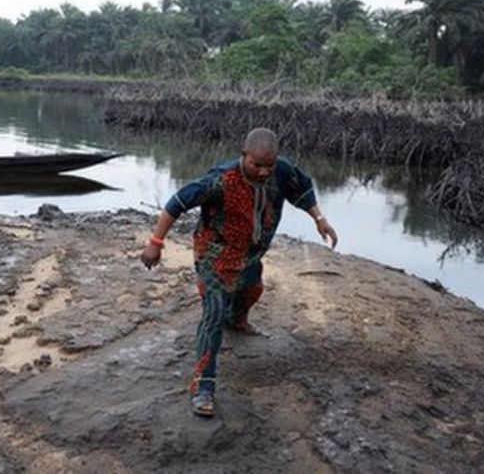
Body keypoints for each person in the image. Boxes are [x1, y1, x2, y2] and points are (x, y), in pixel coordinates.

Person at [140, 127, 338, 418]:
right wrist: (155, 243)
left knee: (253, 289)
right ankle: (203, 386)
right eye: (257, 165)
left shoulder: (281, 171)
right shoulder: (220, 181)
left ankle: (237, 320)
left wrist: (320, 219)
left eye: (269, 166)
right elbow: (177, 203)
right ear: (244, 155)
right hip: (214, 256)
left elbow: (303, 190)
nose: (263, 172)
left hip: (249, 253)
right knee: (213, 315)